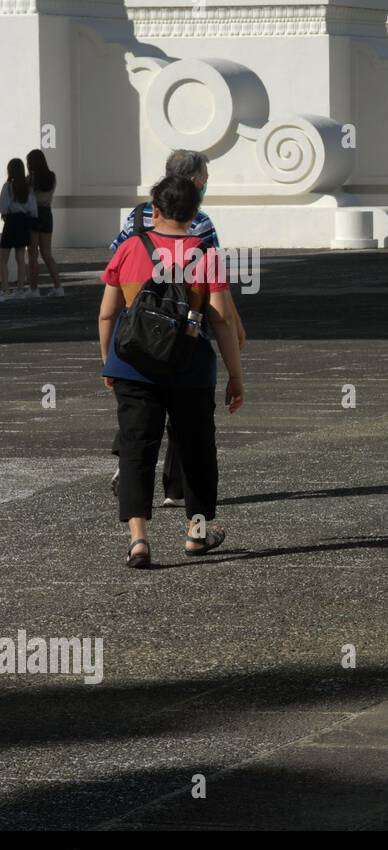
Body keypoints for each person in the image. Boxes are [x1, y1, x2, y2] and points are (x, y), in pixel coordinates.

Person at [98, 175, 245, 568]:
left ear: (155, 210)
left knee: (136, 450)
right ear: (195, 212)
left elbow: (107, 313)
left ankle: (138, 539)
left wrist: (108, 362)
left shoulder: (129, 248)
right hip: (189, 368)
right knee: (196, 450)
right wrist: (235, 373)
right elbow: (221, 320)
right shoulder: (206, 255)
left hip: (132, 366)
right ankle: (197, 534)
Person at [25, 149, 62, 297]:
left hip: (34, 215)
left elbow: (27, 196)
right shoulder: (52, 176)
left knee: (33, 254)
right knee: (47, 253)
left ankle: (34, 289)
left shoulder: (30, 179)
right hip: (47, 214)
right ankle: (58, 287)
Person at [0, 158, 37, 301]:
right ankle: (21, 289)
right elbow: (33, 208)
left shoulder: (7, 186)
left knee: (3, 258)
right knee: (20, 257)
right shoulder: (27, 188)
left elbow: (3, 207)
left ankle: (5, 290)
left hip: (11, 222)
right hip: (23, 222)